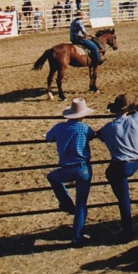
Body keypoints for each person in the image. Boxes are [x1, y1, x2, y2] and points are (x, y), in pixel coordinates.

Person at [97, 94, 138, 242]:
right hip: (134, 162)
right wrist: (135, 107)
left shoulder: (109, 127)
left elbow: (99, 135)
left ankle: (127, 232)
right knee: (114, 178)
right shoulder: (135, 119)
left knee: (122, 197)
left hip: (119, 165)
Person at [45, 98, 96, 247]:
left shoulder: (59, 127)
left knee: (52, 177)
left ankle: (66, 203)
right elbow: (93, 135)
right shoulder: (85, 128)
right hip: (83, 168)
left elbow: (48, 137)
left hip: (66, 168)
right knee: (82, 203)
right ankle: (77, 237)